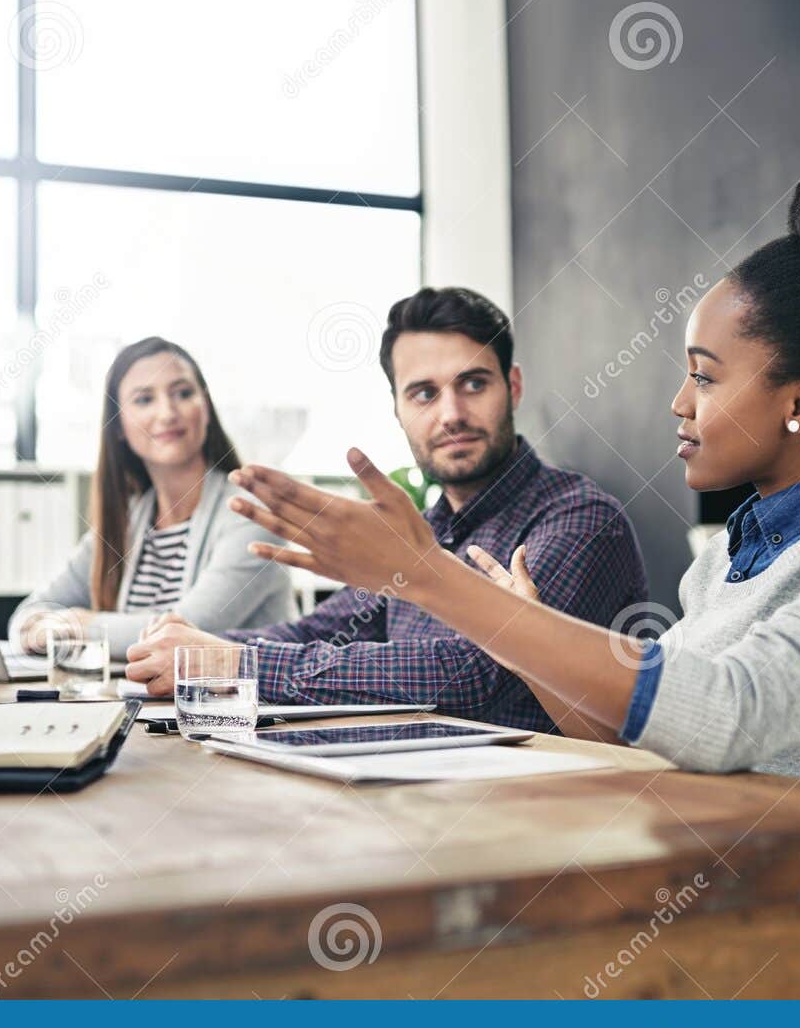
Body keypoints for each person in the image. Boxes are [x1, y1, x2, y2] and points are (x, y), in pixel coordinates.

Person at [227, 176, 800, 793]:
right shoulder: (721, 561)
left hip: (788, 914)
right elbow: (635, 742)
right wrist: (521, 632)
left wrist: (429, 579)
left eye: (704, 377)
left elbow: (732, 713)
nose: (679, 403)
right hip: (680, 866)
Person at [126, 288, 650, 733]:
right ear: (398, 410)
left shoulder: (581, 520)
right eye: (424, 393)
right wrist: (193, 649)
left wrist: (235, 664)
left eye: (473, 384)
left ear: (511, 387)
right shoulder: (426, 530)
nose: (451, 414)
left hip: (550, 820)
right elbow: (321, 631)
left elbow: (479, 677)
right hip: (421, 799)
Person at [9, 337, 295, 659]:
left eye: (183, 393)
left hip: (237, 706)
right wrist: (51, 626)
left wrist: (78, 626)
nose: (168, 412)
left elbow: (189, 632)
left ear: (206, 407)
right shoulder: (128, 520)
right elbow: (26, 618)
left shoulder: (251, 512)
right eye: (144, 399)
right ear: (118, 426)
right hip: (144, 705)